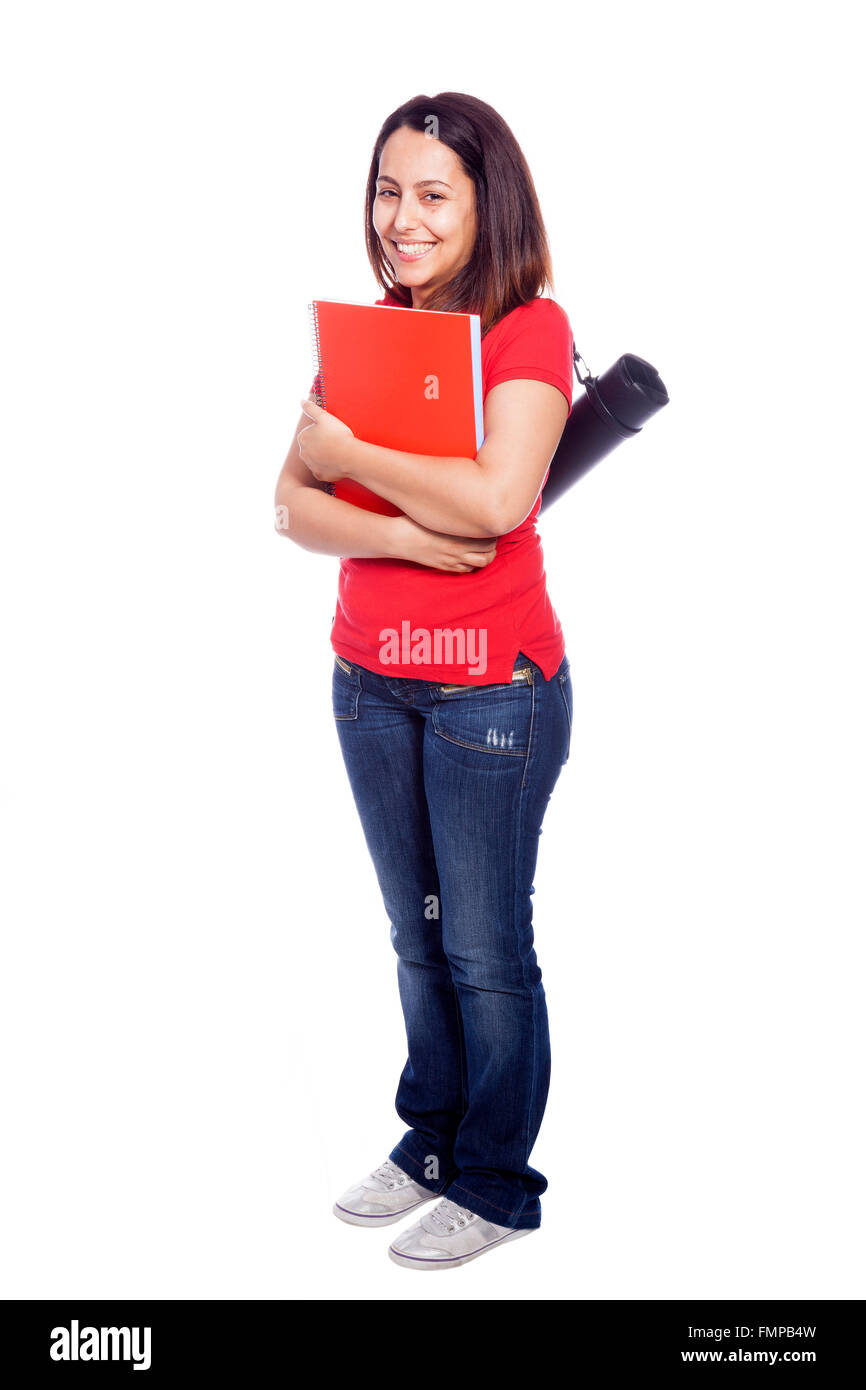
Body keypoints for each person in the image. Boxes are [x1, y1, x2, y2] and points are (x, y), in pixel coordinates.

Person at [274, 92, 575, 1271]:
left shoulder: (524, 333)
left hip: (488, 692)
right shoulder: (371, 334)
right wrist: (399, 531)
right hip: (371, 681)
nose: (401, 218)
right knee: (417, 935)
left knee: (485, 946)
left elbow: (500, 499)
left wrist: (353, 463)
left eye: (432, 194)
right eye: (386, 191)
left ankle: (497, 1182)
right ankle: (433, 1145)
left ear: (483, 202)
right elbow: (288, 506)